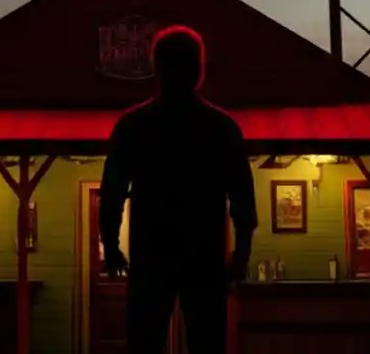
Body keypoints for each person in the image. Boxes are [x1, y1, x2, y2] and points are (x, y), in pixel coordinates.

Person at [99, 25, 257, 354]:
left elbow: (113, 192)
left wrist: (112, 247)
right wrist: (241, 251)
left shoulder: (134, 126)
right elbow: (242, 196)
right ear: (198, 69)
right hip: (204, 254)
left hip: (151, 252)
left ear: (157, 69)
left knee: (145, 340)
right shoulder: (220, 127)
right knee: (207, 341)